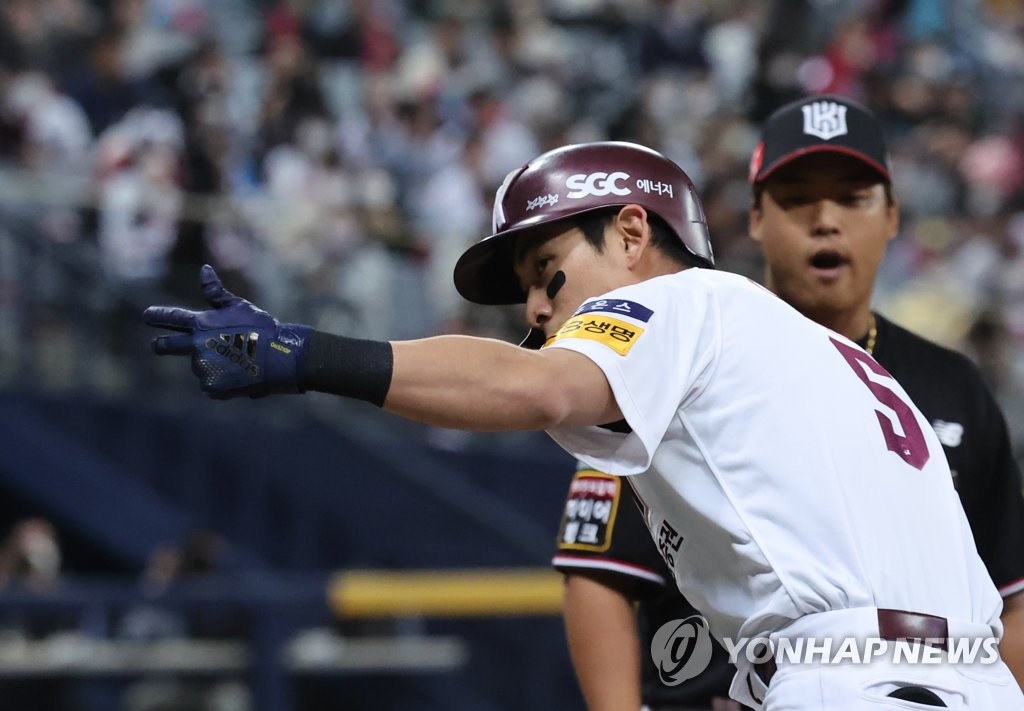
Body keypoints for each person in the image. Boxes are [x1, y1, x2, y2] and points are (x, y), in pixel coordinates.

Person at [144, 140, 1024, 709]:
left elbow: (536, 387)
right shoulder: (853, 366)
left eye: (548, 268)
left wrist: (307, 354)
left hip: (852, 682)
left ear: (634, 230)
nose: (534, 304)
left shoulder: (681, 301)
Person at [552, 95, 1024, 709]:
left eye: (853, 198)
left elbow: (1009, 594)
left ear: (892, 217)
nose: (825, 220)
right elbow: (601, 576)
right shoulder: (674, 347)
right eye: (797, 199)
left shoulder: (950, 383)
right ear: (755, 219)